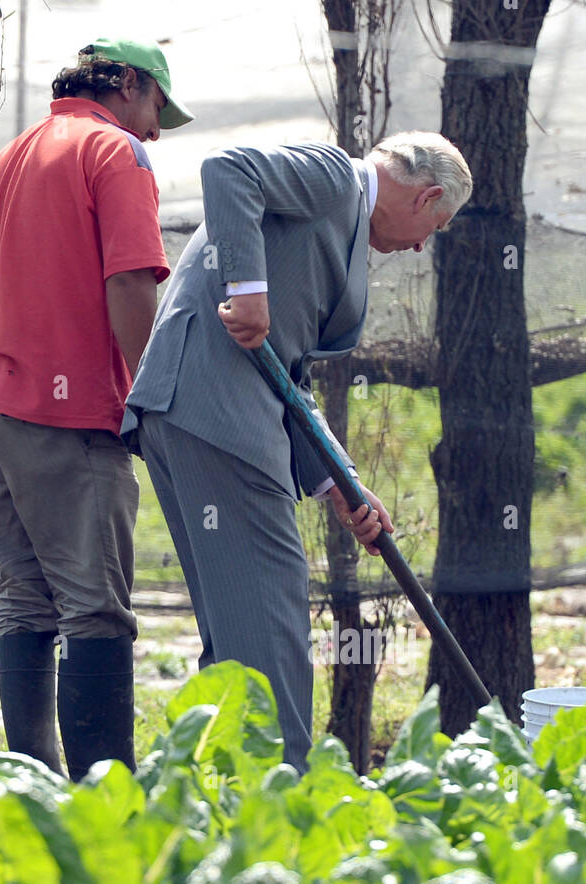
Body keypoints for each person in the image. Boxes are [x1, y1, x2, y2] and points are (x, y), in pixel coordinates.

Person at [122, 131, 473, 772]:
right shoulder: (337, 178)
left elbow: (289, 375)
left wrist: (340, 480)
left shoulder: (333, 224)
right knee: (272, 625)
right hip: (218, 417)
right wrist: (248, 288)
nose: (423, 244)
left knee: (237, 631)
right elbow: (229, 170)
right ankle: (282, 794)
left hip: (191, 413)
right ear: (425, 196)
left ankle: (223, 790)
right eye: (435, 225)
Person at [0, 38, 193, 779]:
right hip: (66, 410)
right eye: (155, 107)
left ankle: (35, 790)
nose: (154, 130)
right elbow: (129, 281)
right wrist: (148, 396)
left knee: (24, 598)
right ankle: (103, 802)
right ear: (126, 84)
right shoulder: (114, 152)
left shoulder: (7, 159)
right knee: (94, 607)